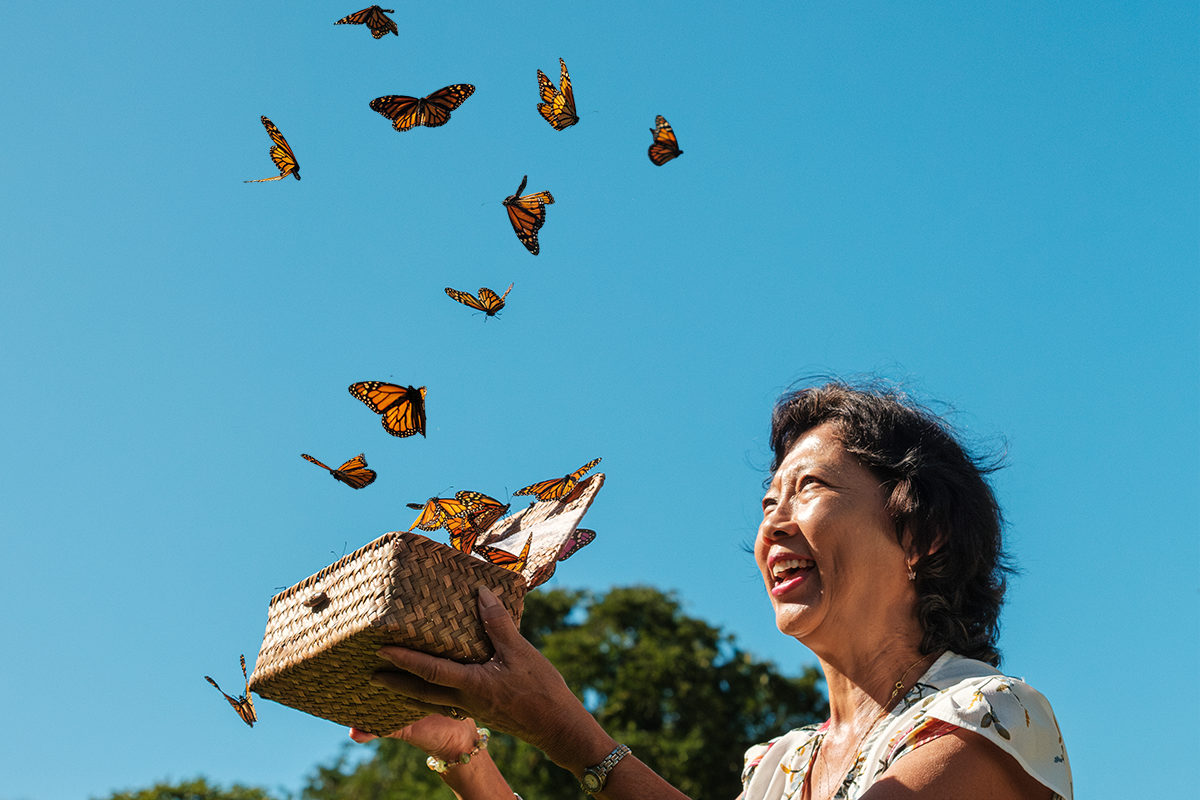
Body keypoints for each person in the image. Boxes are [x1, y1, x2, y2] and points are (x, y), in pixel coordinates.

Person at [353, 381, 1073, 800]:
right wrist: (464, 754)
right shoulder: (777, 767)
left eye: (809, 489)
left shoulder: (991, 717)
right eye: (766, 505)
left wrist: (561, 727)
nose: (773, 525)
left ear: (923, 536)